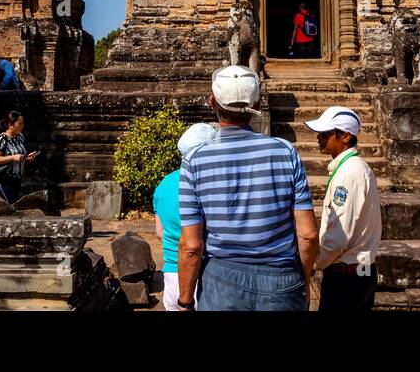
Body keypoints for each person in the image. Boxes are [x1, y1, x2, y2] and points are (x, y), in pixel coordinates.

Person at [177, 65, 318, 311]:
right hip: (281, 278)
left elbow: (191, 245)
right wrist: (303, 280)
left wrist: (185, 301)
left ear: (212, 102)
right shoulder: (285, 151)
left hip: (221, 282)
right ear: (258, 106)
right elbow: (308, 234)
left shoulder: (195, 160)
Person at [306, 105, 382, 311]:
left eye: (325, 134)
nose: (318, 138)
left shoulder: (349, 173)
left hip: (347, 275)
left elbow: (340, 235)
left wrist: (314, 264)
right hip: (356, 272)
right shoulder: (353, 169)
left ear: (345, 136)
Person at [153, 122, 217, 310]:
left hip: (173, 272)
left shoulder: (165, 183)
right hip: (206, 274)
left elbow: (159, 233)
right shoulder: (212, 183)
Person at [0, 110, 38, 202]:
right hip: (3, 180)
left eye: (23, 123)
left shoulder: (20, 137)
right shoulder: (1, 139)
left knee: (13, 205)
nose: (23, 126)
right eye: (20, 124)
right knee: (8, 207)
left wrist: (26, 158)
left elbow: (18, 154)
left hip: (17, 179)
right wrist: (13, 157)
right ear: (10, 125)